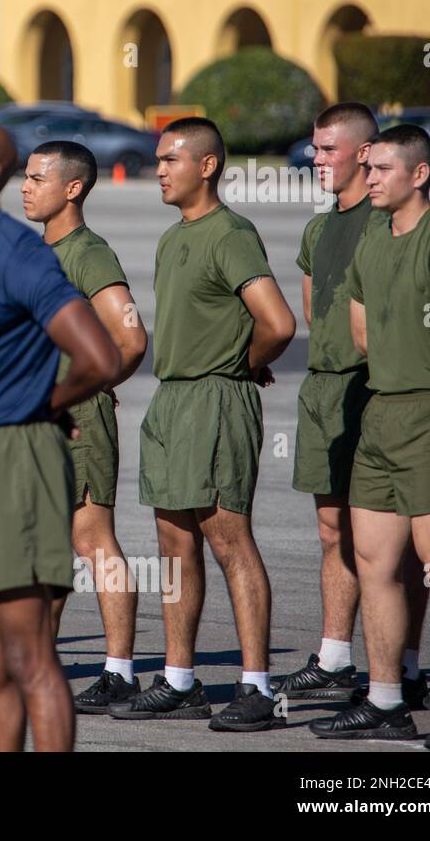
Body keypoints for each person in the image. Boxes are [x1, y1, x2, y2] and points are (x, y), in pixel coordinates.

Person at [0, 119, 119, 750]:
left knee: (29, 654)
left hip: (16, 456)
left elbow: (101, 356)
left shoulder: (21, 253)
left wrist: (40, 404)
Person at [110, 117, 295, 732]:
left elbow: (278, 323)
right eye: (158, 160)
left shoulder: (231, 232)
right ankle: (181, 680)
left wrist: (240, 367)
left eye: (171, 159)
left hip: (216, 400)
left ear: (207, 165)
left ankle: (257, 687)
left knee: (229, 540)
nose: (159, 169)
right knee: (174, 544)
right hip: (173, 400)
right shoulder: (172, 237)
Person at [310, 125, 430, 751]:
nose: (370, 175)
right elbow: (360, 334)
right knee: (373, 561)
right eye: (368, 166)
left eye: (383, 167)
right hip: (380, 412)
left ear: (418, 175)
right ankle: (386, 700)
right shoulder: (372, 241)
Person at [276, 103, 430, 707]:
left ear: (364, 154)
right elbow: (318, 315)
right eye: (314, 149)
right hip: (325, 387)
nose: (316, 160)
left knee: (408, 539)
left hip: (378, 390)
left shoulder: (387, 220)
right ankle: (336, 656)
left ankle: (409, 668)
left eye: (327, 150)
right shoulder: (318, 229)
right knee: (330, 528)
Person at [21, 140, 147, 712]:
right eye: (24, 177)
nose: (25, 187)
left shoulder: (88, 253)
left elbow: (131, 338)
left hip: (77, 418)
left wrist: (89, 392)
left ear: (72, 188)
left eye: (37, 178)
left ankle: (119, 670)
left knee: (92, 541)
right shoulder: (34, 250)